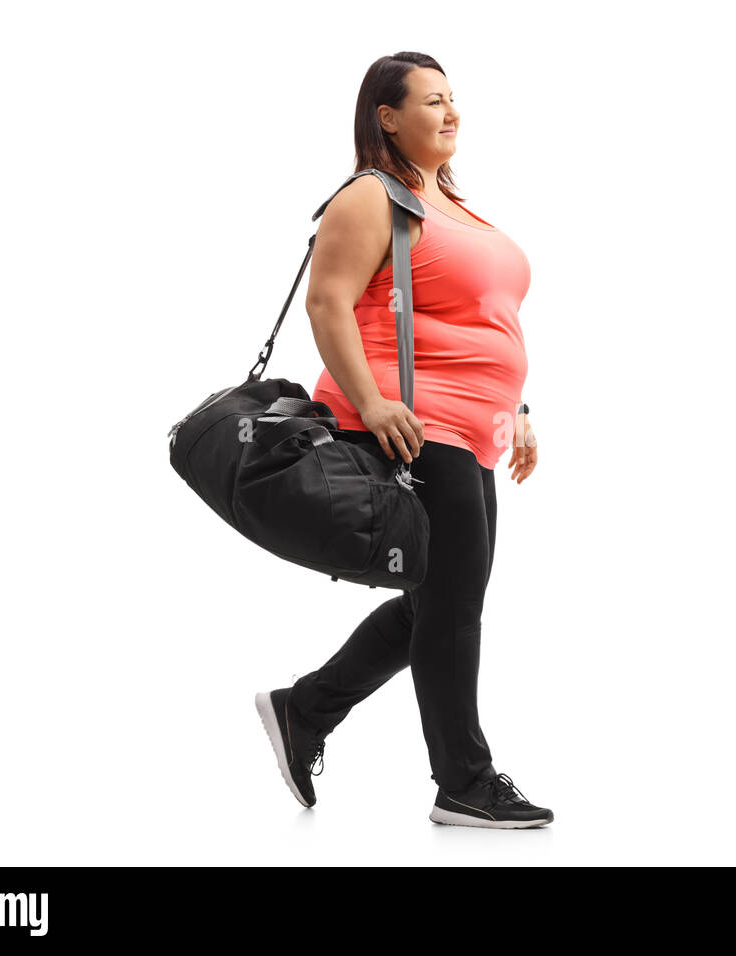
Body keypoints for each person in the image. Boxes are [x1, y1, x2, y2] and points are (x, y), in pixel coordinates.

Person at [253, 52, 552, 828]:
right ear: (387, 117)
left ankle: (306, 708)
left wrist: (515, 405)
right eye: (431, 102)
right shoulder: (369, 197)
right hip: (411, 423)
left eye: (454, 100)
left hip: (469, 429)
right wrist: (373, 401)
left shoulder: (451, 203)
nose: (450, 114)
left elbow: (482, 320)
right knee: (451, 603)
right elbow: (328, 304)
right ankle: (465, 780)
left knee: (442, 600)